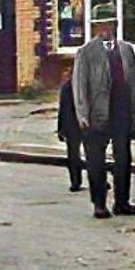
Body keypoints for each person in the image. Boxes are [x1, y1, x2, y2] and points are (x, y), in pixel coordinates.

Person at [72, 2, 135, 219]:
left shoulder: (126, 50)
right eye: (101, 24)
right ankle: (99, 204)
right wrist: (82, 114)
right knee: (96, 161)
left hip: (122, 110)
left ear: (115, 25)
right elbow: (79, 85)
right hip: (97, 113)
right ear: (94, 27)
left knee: (123, 158)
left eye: (110, 24)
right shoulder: (86, 52)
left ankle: (122, 202)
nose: (106, 28)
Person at [56, 64, 84, 192]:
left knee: (73, 154)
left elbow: (62, 109)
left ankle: (75, 182)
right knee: (92, 153)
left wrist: (61, 128)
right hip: (85, 122)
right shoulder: (85, 85)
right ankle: (98, 179)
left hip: (71, 124)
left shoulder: (66, 87)